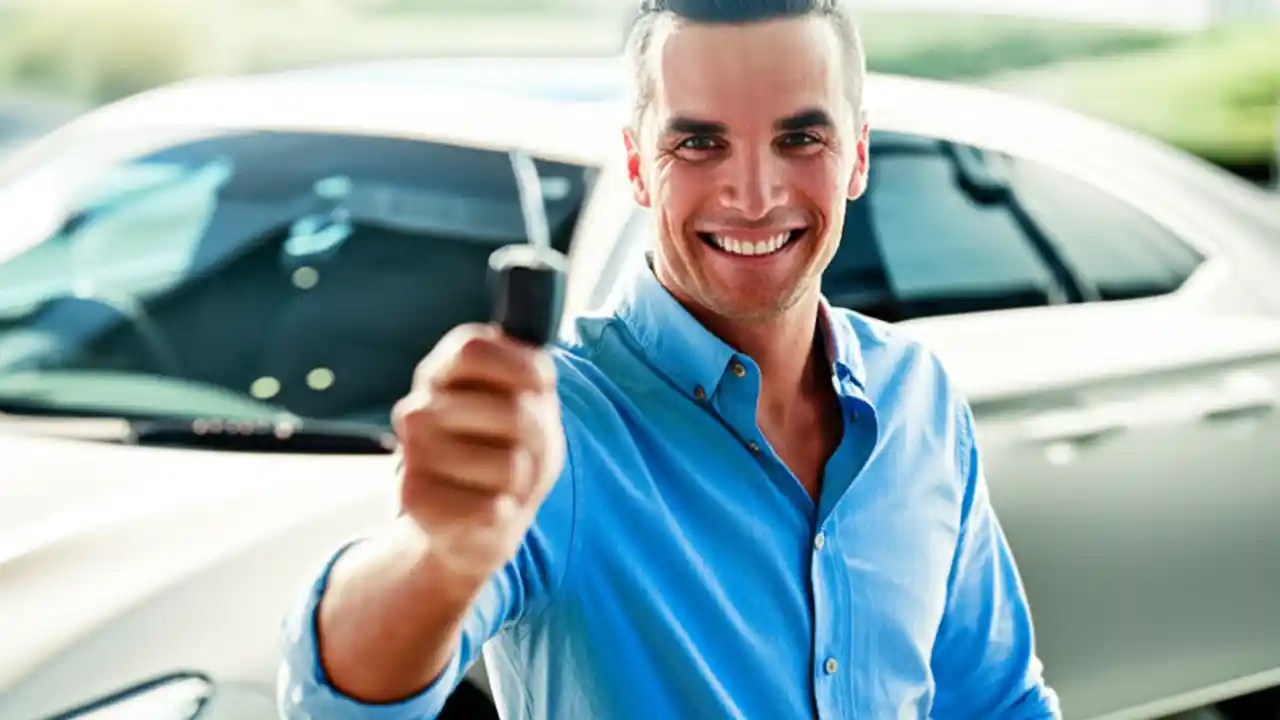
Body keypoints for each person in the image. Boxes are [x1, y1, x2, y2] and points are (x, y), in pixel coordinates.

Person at [277, 1, 1062, 717]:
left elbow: (995, 701)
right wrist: (435, 555)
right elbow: (340, 706)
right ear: (636, 165)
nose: (753, 196)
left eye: (800, 138)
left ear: (856, 155)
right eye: (698, 142)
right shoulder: (560, 429)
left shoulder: (916, 394)